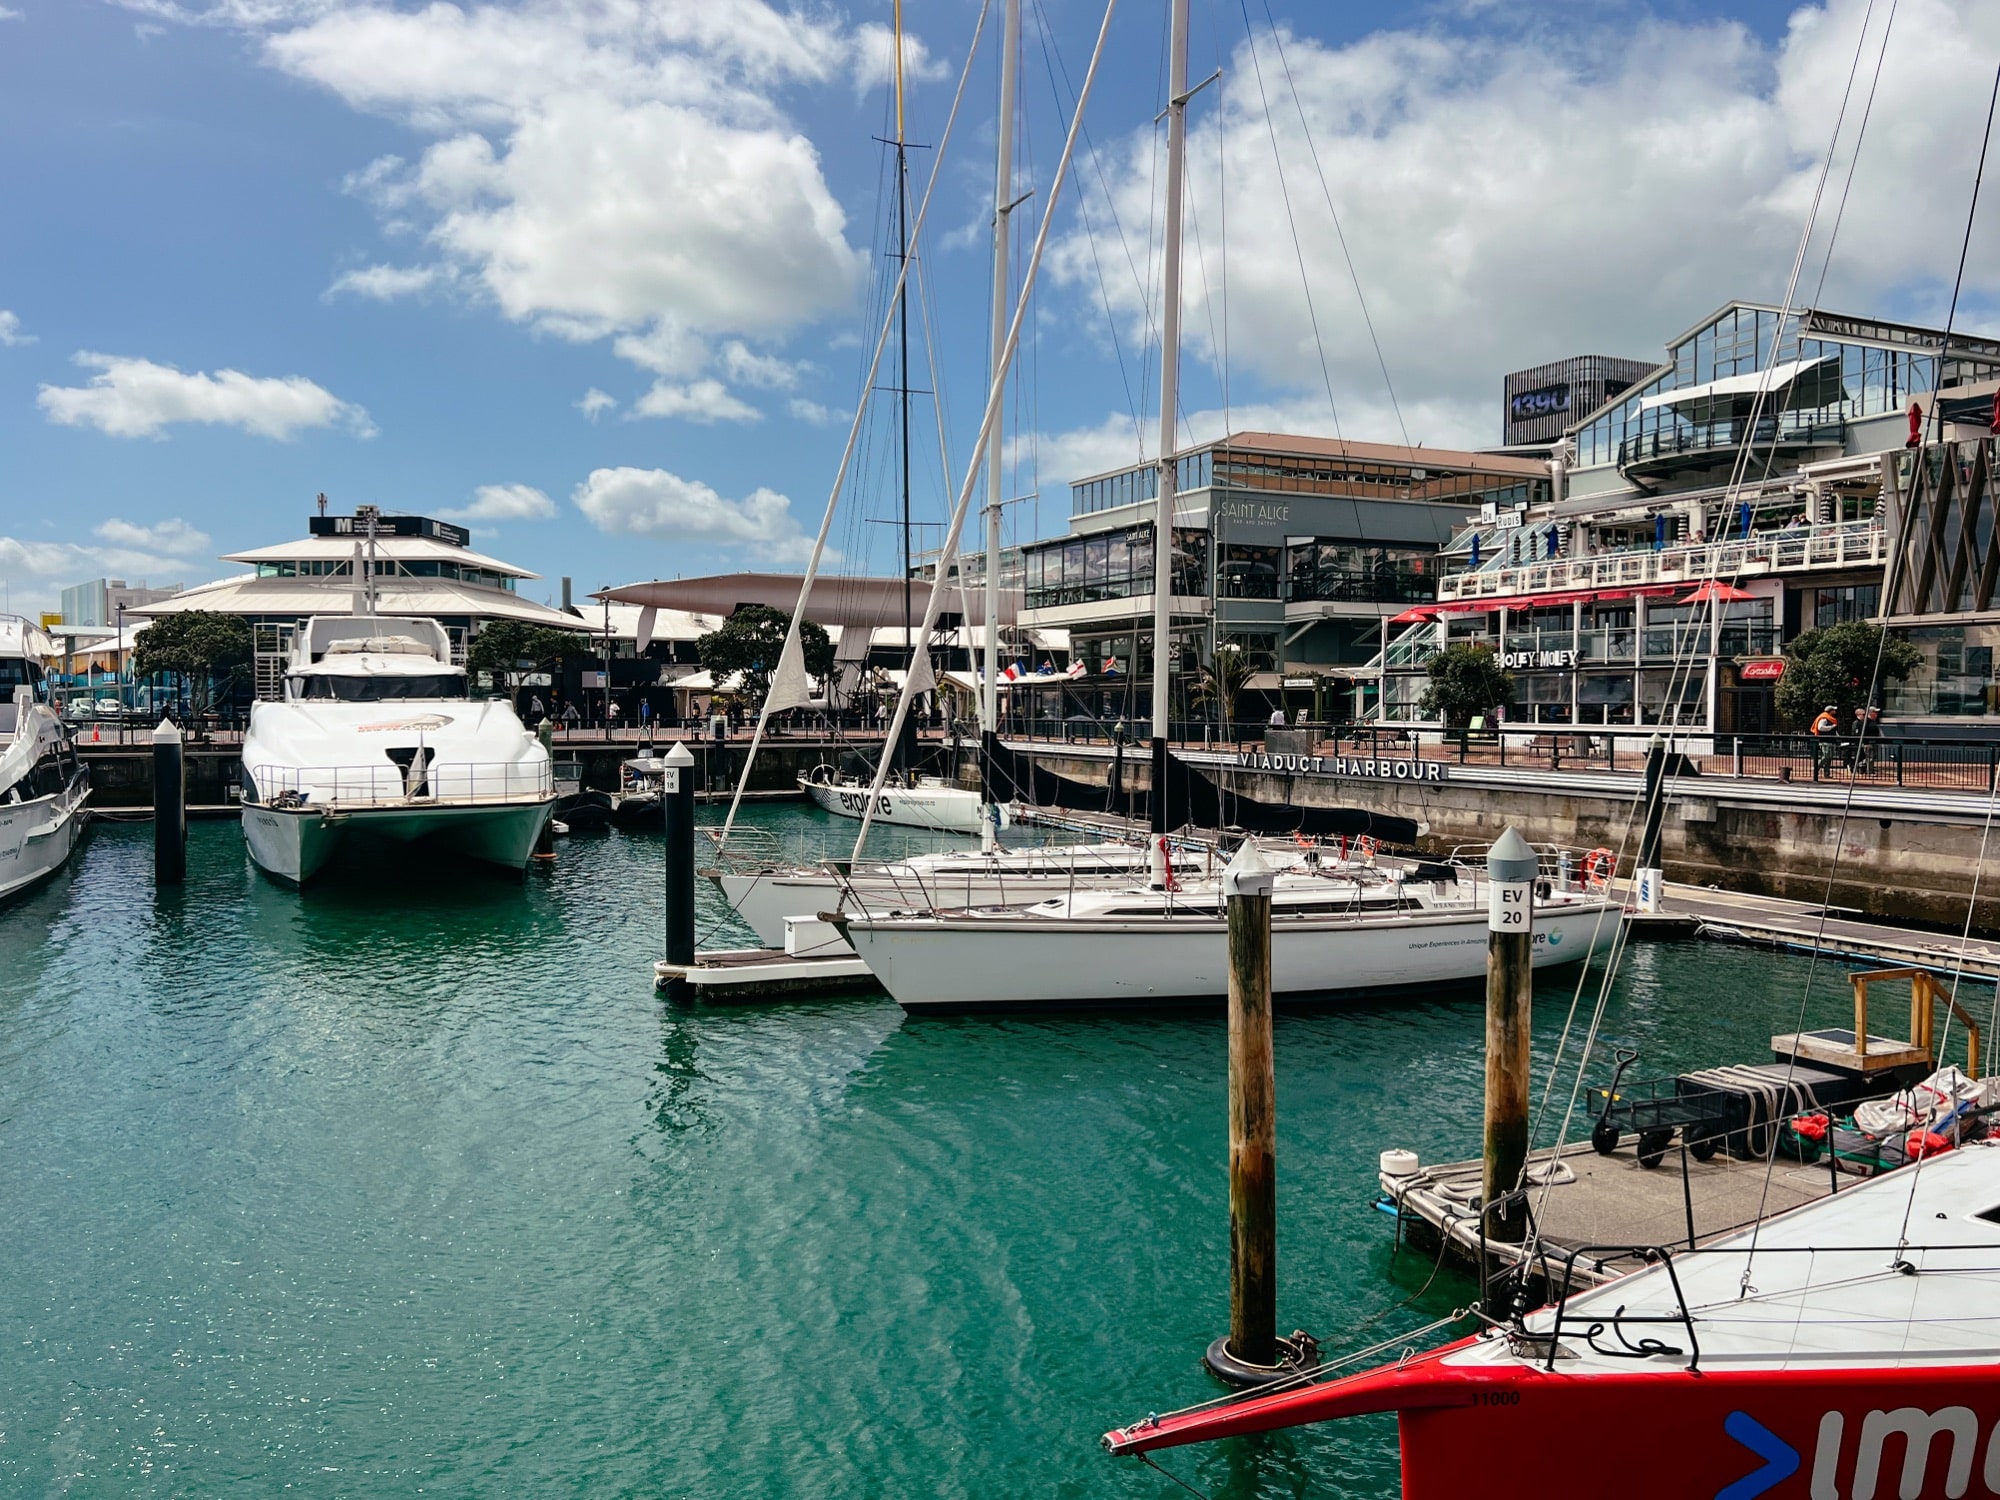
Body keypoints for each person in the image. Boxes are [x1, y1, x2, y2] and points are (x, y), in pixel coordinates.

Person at [1811, 703, 1840, 773]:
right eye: (1833, 710)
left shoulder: (1831, 718)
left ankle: (1827, 772)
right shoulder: (1824, 718)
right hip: (1824, 740)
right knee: (1827, 755)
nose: (1835, 711)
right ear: (1830, 711)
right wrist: (1831, 727)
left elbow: (1834, 730)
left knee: (1829, 757)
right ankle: (1816, 767)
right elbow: (1820, 727)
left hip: (1831, 740)